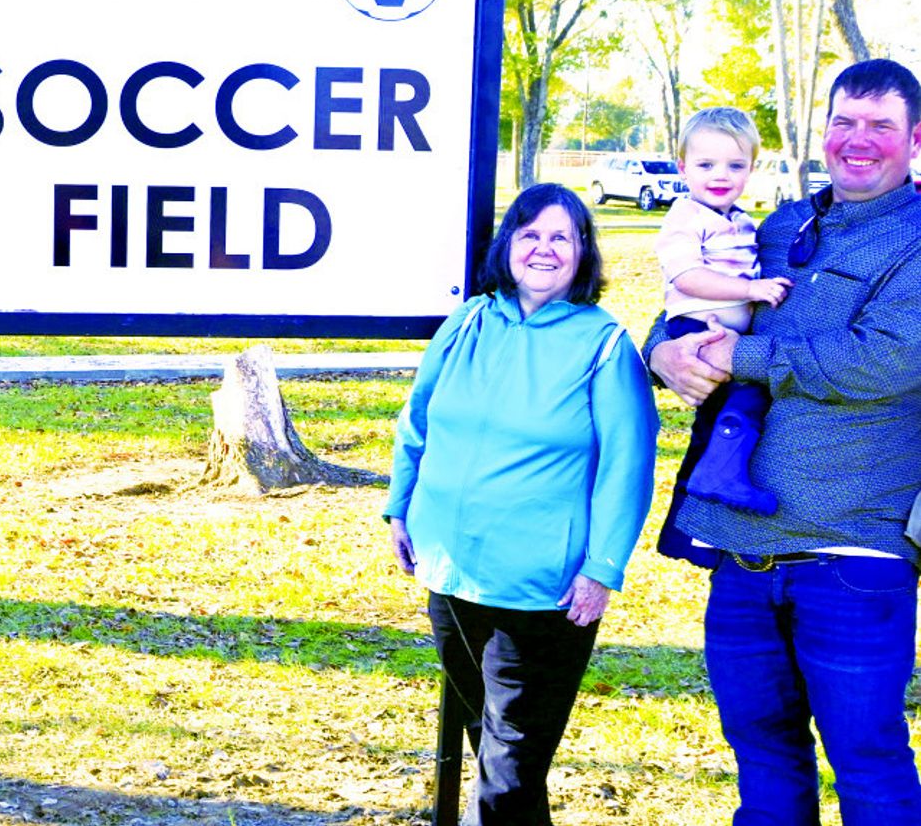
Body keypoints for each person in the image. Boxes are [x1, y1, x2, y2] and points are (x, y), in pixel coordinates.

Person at [648, 58, 921, 826]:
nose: (858, 139)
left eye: (881, 125)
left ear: (915, 140)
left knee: (868, 763)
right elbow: (700, 300)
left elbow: (883, 359)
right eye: (844, 121)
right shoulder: (779, 226)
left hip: (852, 556)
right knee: (763, 760)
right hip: (743, 555)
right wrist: (662, 351)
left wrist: (742, 356)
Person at [384, 183, 657, 825]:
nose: (543, 248)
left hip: (542, 592)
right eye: (530, 234)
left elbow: (628, 466)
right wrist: (399, 506)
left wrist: (602, 567)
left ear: (583, 252)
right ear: (507, 244)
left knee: (508, 769)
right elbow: (418, 419)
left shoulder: (604, 344)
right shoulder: (467, 322)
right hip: (449, 572)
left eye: (561, 236)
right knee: (499, 756)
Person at [656, 107, 790, 527]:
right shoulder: (685, 217)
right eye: (706, 165)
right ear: (683, 167)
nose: (720, 175)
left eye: (735, 165)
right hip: (697, 329)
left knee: (726, 414)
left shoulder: (742, 221)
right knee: (745, 400)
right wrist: (751, 290)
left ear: (751, 169)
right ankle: (718, 480)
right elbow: (688, 276)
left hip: (726, 333)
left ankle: (709, 489)